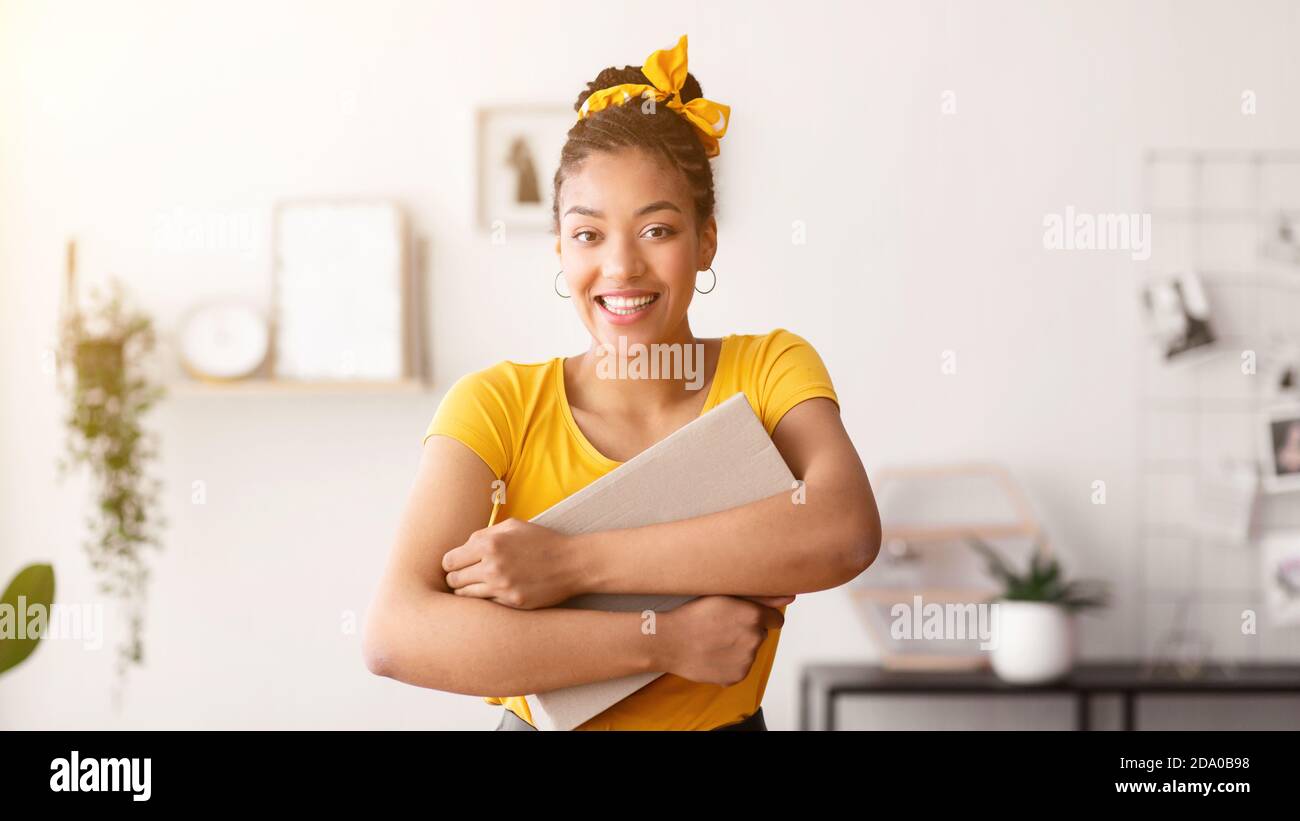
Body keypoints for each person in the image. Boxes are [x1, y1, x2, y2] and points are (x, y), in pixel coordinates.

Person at [362, 34, 881, 731]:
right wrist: (667, 639)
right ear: (558, 248)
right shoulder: (497, 405)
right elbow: (397, 633)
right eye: (588, 235)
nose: (621, 267)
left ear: (706, 242)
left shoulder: (769, 370)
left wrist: (571, 565)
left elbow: (844, 530)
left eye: (657, 230)